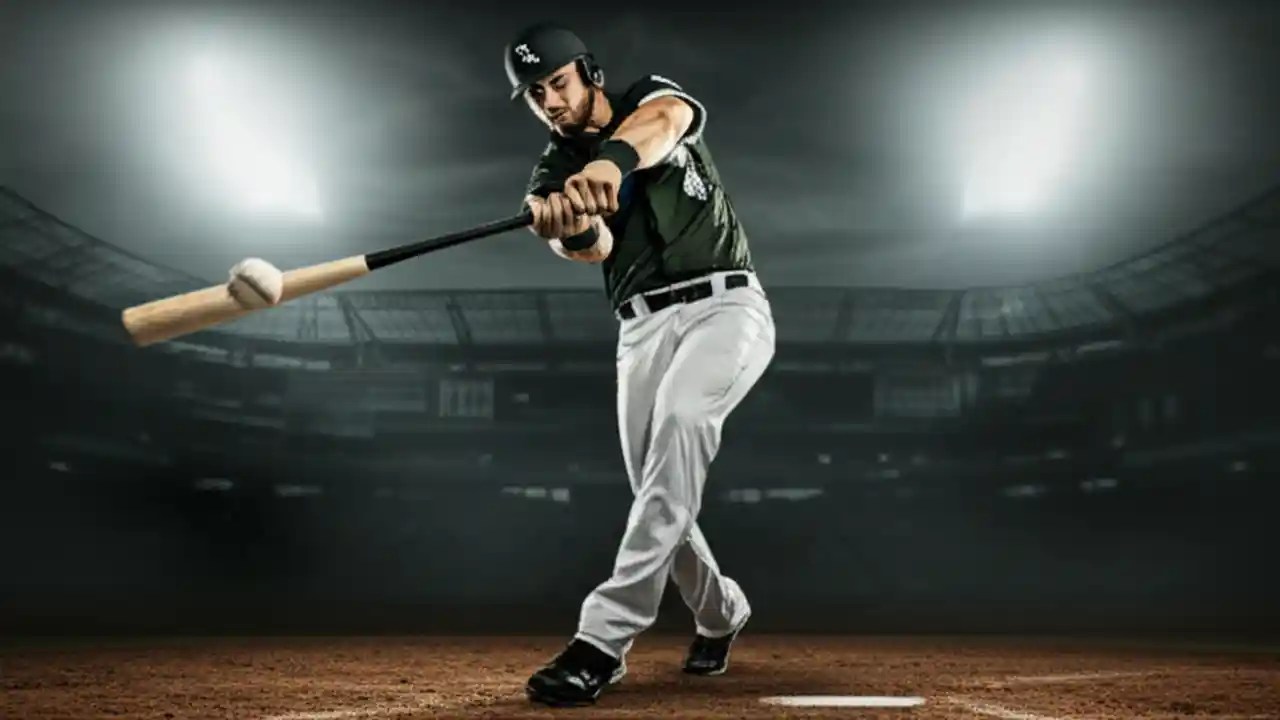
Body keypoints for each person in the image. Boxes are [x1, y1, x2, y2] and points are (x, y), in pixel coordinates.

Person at [505, 23, 777, 707]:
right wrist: (565, 224)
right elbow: (591, 249)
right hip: (641, 329)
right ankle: (722, 613)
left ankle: (601, 642)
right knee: (660, 493)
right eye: (535, 93)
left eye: (558, 82)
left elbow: (665, 123)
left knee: (683, 425)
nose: (550, 101)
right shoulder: (549, 172)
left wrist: (609, 164)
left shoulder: (648, 97)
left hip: (726, 306)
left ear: (588, 72)